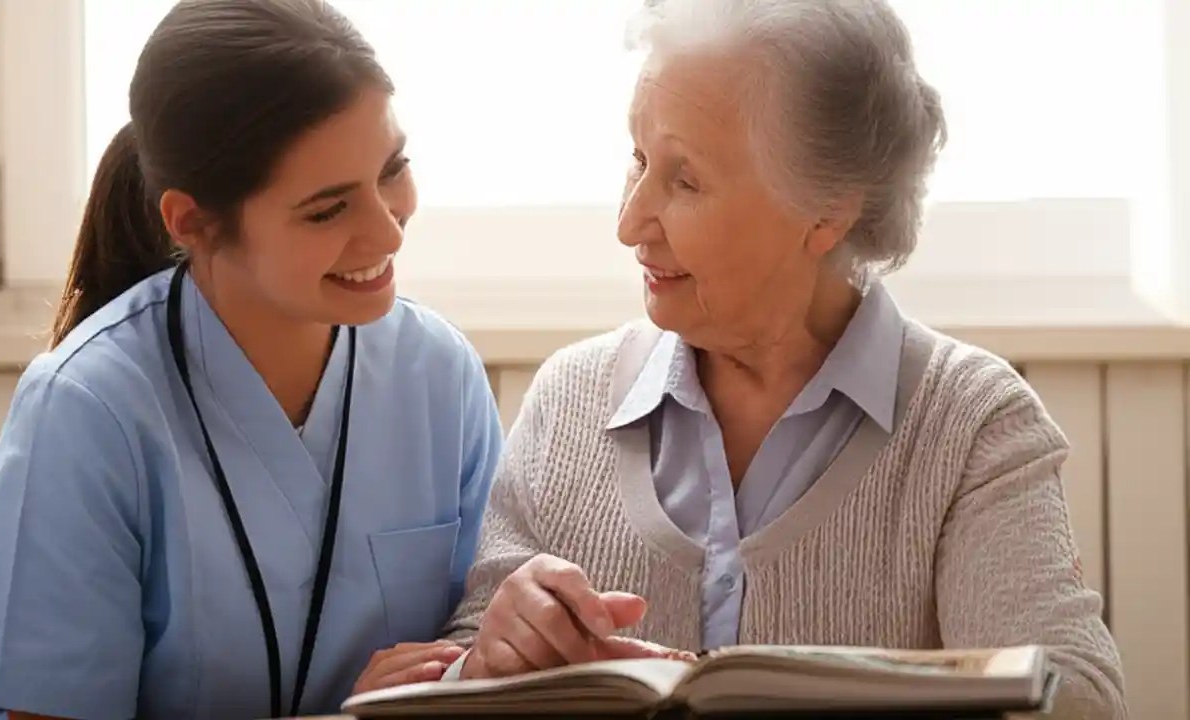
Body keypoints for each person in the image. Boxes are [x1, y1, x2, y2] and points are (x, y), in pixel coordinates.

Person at [441, 0, 1126, 717]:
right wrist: (486, 659)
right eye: (637, 160)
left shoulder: (974, 425)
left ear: (828, 210)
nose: (629, 223)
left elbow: (1075, 698)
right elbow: (455, 668)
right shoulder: (568, 400)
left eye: (685, 180)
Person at [0, 1, 502, 718]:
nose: (387, 231)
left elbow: (480, 645)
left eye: (393, 169)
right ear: (192, 221)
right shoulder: (87, 408)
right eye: (328, 209)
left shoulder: (438, 375)